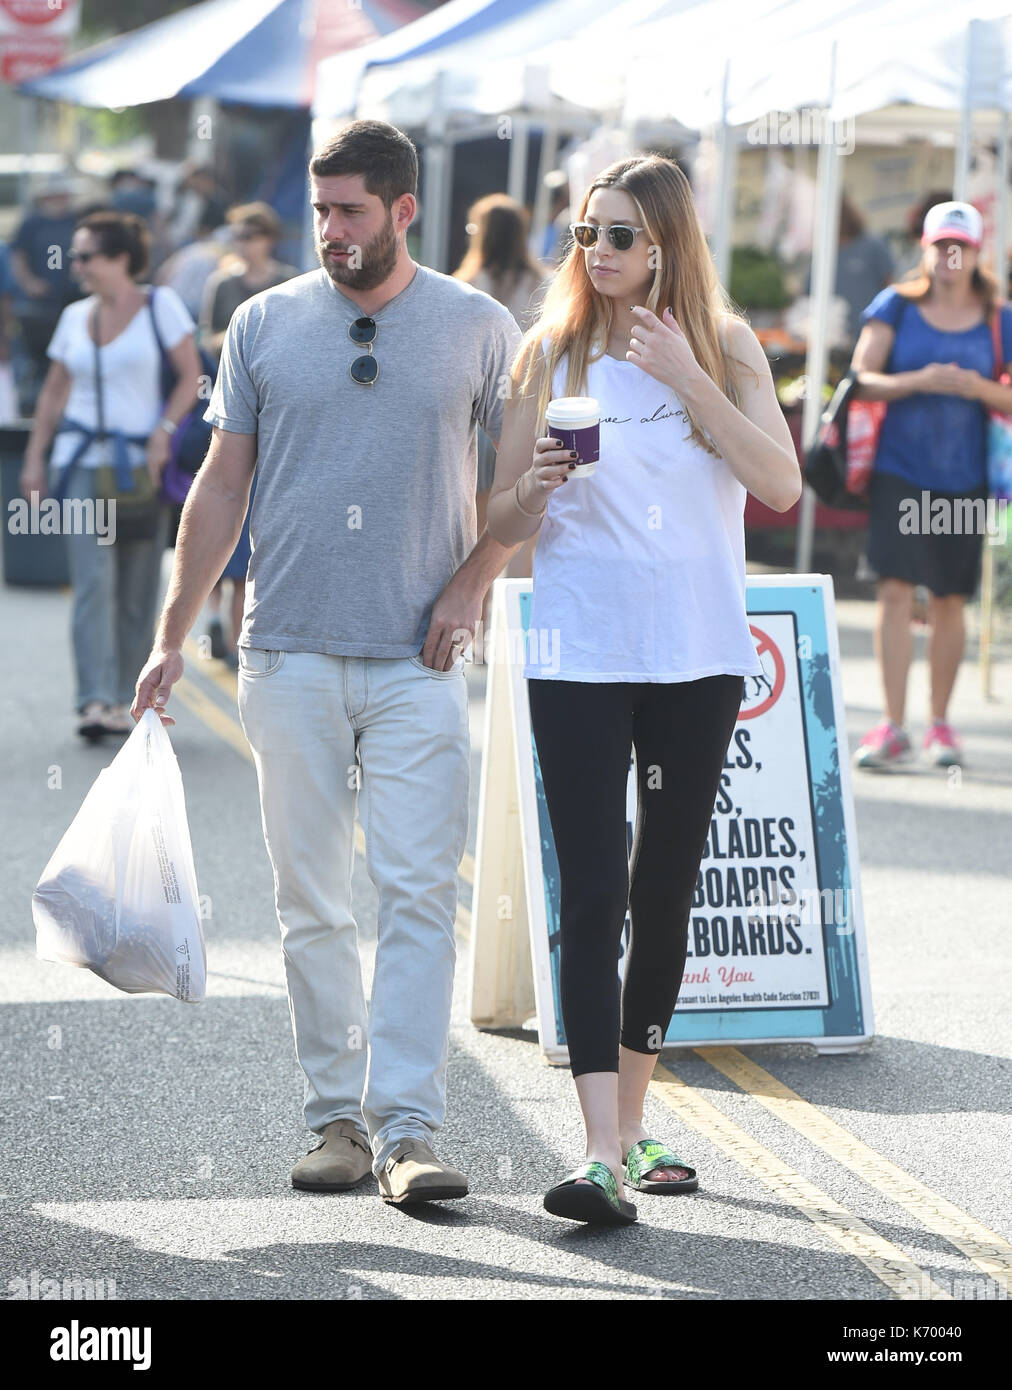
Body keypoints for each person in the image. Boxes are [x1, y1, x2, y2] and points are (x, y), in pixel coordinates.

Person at [130, 121, 523, 1205]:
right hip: (288, 650)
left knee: (412, 896)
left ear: (404, 210)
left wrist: (474, 576)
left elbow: (526, 482)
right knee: (310, 902)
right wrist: (172, 638)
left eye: (352, 211)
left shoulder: (479, 326)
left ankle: (409, 1130)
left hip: (418, 657)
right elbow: (219, 487)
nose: (332, 232)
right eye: (322, 212)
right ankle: (335, 1122)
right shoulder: (263, 320)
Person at [487, 154, 801, 1226]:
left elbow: (778, 483)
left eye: (621, 235)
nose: (600, 253)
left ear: (667, 241)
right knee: (592, 892)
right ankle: (595, 1152)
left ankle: (627, 1122)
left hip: (698, 658)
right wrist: (529, 490)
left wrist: (688, 376)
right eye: (586, 233)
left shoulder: (726, 344)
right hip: (580, 652)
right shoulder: (550, 348)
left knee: (663, 884)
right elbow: (499, 522)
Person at [18, 211, 202, 740]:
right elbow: (54, 392)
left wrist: (164, 430)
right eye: (73, 256)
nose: (75, 266)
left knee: (140, 586)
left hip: (140, 467)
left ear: (120, 259)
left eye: (85, 256)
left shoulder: (159, 307)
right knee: (93, 582)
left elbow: (193, 375)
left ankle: (131, 695)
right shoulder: (75, 316)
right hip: (80, 462)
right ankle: (93, 701)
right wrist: (34, 459)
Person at [851, 200, 1012, 770]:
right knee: (895, 591)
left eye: (961, 246)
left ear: (976, 252)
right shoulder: (896, 305)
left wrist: (977, 389)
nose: (950, 255)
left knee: (948, 598)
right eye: (941, 243)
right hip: (900, 471)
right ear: (924, 247)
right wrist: (916, 379)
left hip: (966, 478)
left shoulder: (999, 317)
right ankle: (893, 726)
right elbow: (859, 381)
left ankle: (941, 723)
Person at [199, 202, 299, 665]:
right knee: (223, 502)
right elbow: (206, 339)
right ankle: (217, 619)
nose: (245, 242)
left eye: (252, 234)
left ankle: (243, 628)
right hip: (231, 406)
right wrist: (232, 340)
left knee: (260, 513)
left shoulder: (289, 280)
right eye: (238, 235)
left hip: (278, 412)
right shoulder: (222, 283)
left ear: (269, 238)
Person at [453, 194, 550, 633]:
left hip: (476, 415)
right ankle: (515, 628)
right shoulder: (543, 283)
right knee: (523, 528)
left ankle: (479, 622)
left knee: (480, 527)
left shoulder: (466, 283)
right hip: (528, 411)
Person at [9, 176, 80, 411]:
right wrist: (30, 283)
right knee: (37, 359)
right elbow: (18, 257)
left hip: (68, 300)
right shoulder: (32, 224)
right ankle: (34, 406)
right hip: (38, 304)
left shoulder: (74, 221)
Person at [803, 193, 894, 349]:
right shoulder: (822, 252)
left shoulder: (872, 246)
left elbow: (890, 287)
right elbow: (807, 294)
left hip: (868, 336)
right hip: (831, 341)